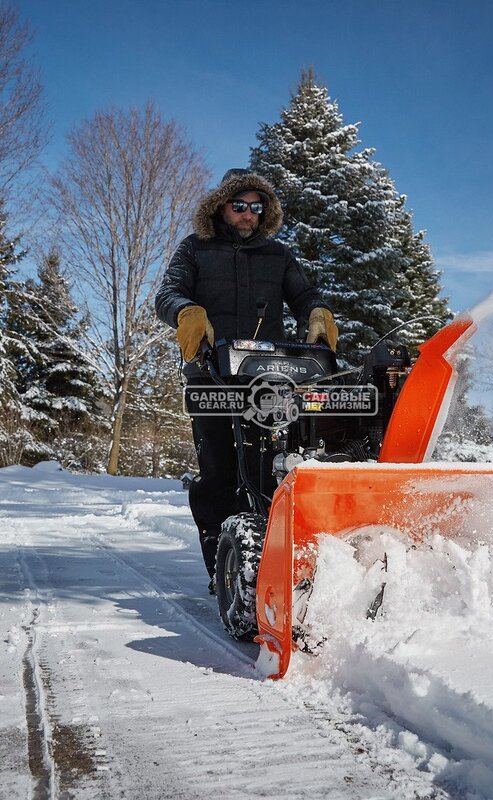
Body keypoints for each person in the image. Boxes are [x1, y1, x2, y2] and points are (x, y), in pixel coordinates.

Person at [155, 168, 338, 587]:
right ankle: (225, 570)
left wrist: (317, 312)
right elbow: (166, 295)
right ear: (222, 206)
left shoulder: (278, 255)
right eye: (240, 206)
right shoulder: (195, 249)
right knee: (218, 472)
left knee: (270, 468)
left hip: (269, 379)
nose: (248, 214)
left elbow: (305, 295)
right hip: (211, 376)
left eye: (256, 207)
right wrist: (186, 311)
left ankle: (282, 563)